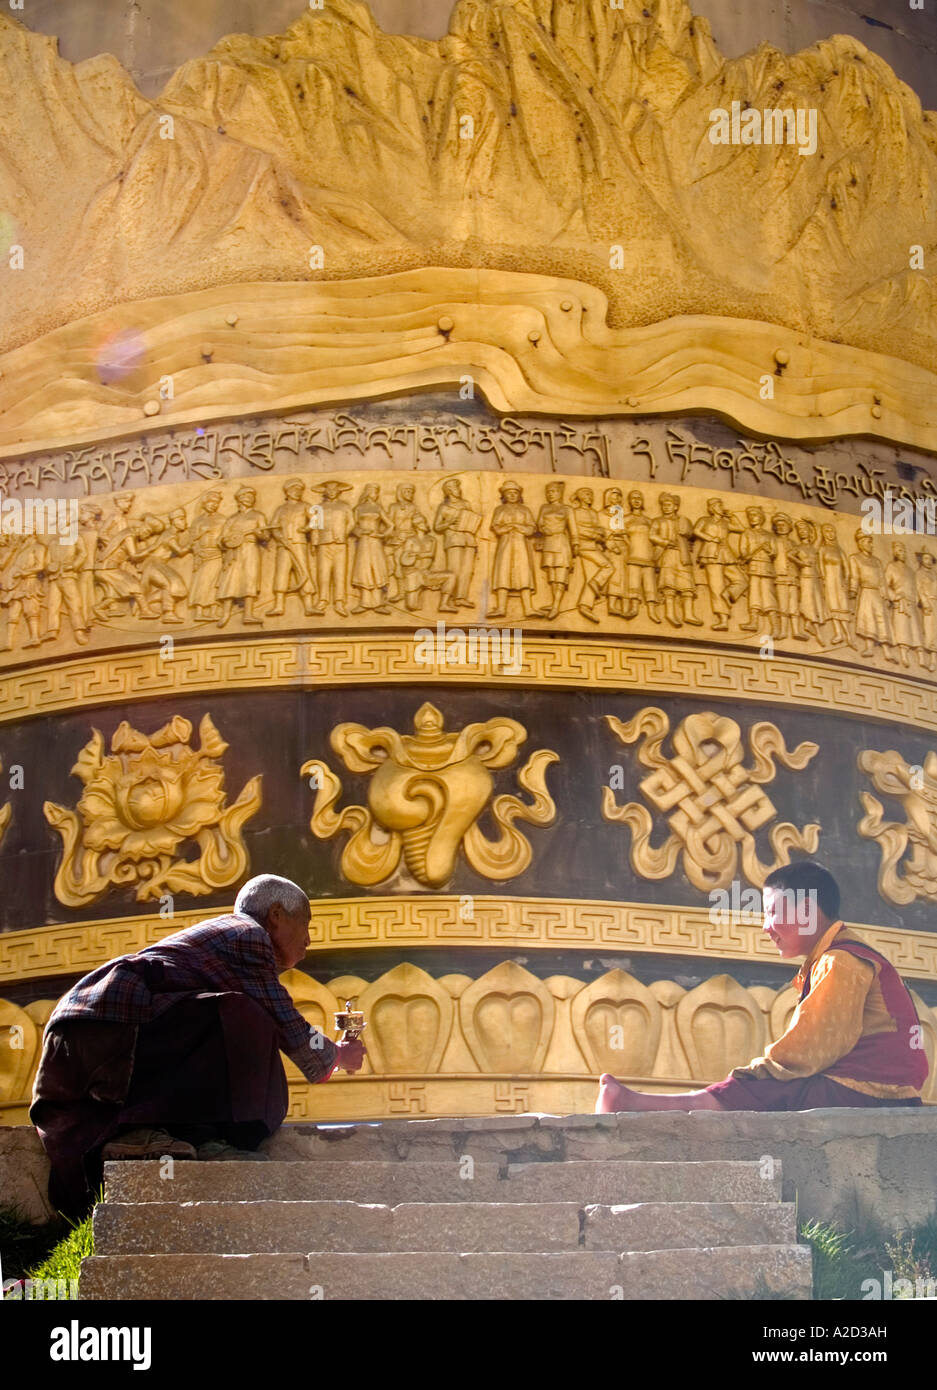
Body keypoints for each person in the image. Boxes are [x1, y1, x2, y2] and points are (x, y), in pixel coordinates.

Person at [29, 875, 364, 1219]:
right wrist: (336, 1056)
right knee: (246, 1016)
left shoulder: (229, 939)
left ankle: (173, 1132)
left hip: (83, 1035)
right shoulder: (248, 935)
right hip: (108, 1028)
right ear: (276, 914)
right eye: (305, 924)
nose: (308, 940)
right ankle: (152, 1129)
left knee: (234, 1014)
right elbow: (286, 1023)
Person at [595, 860, 928, 1113]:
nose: (767, 927)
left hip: (872, 1092)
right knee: (765, 1088)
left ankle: (642, 1105)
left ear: (808, 910)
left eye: (772, 912)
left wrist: (753, 1074)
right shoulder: (838, 955)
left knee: (759, 1091)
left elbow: (810, 1050)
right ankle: (646, 1102)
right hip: (867, 1086)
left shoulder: (839, 961)